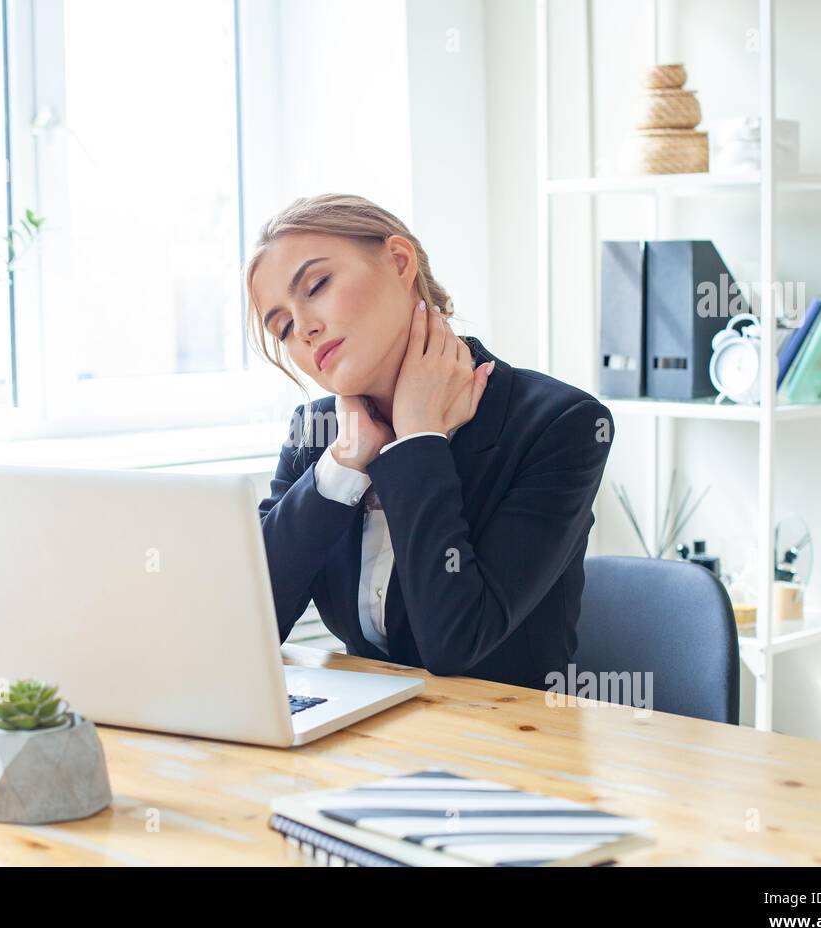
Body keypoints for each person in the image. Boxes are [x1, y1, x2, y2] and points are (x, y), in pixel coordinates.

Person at [246, 193, 614, 689]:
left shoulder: (559, 425)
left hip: (511, 746)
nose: (305, 328)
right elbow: (250, 626)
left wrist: (417, 441)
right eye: (284, 327)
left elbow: (454, 645)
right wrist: (343, 463)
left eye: (317, 285)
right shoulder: (316, 434)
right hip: (368, 735)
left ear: (399, 261)